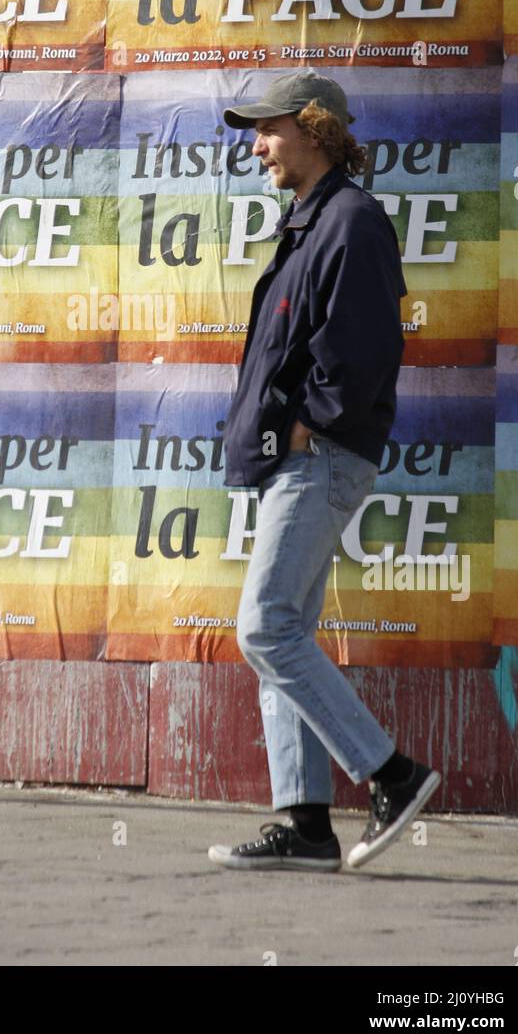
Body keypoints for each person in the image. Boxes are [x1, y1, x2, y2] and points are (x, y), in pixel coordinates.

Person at [207, 69, 441, 873]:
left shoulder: (352, 220)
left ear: (315, 128)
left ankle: (390, 773)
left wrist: (309, 428)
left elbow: (369, 346)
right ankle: (306, 824)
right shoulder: (311, 222)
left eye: (268, 129)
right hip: (294, 459)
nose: (257, 145)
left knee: (265, 627)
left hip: (320, 457)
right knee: (285, 637)